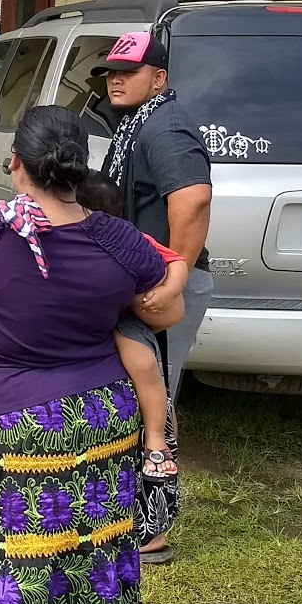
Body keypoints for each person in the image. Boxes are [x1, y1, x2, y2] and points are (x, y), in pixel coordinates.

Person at [0, 106, 185, 604]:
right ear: (80, 165)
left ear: (15, 163)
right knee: (99, 553)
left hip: (7, 422)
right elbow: (164, 303)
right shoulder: (116, 239)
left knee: (22, 560)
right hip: (101, 418)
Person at [92, 30, 214, 565]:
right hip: (143, 282)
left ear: (159, 78)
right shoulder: (137, 122)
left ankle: (152, 532)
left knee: (153, 404)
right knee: (148, 398)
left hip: (161, 287)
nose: (116, 80)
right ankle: (137, 516)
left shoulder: (165, 125)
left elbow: (193, 199)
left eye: (129, 71)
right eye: (111, 72)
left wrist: (172, 279)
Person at [78, 170, 187, 482]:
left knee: (143, 365)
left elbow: (176, 261)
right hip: (89, 318)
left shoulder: (130, 238)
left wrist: (168, 291)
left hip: (125, 318)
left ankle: (156, 438)